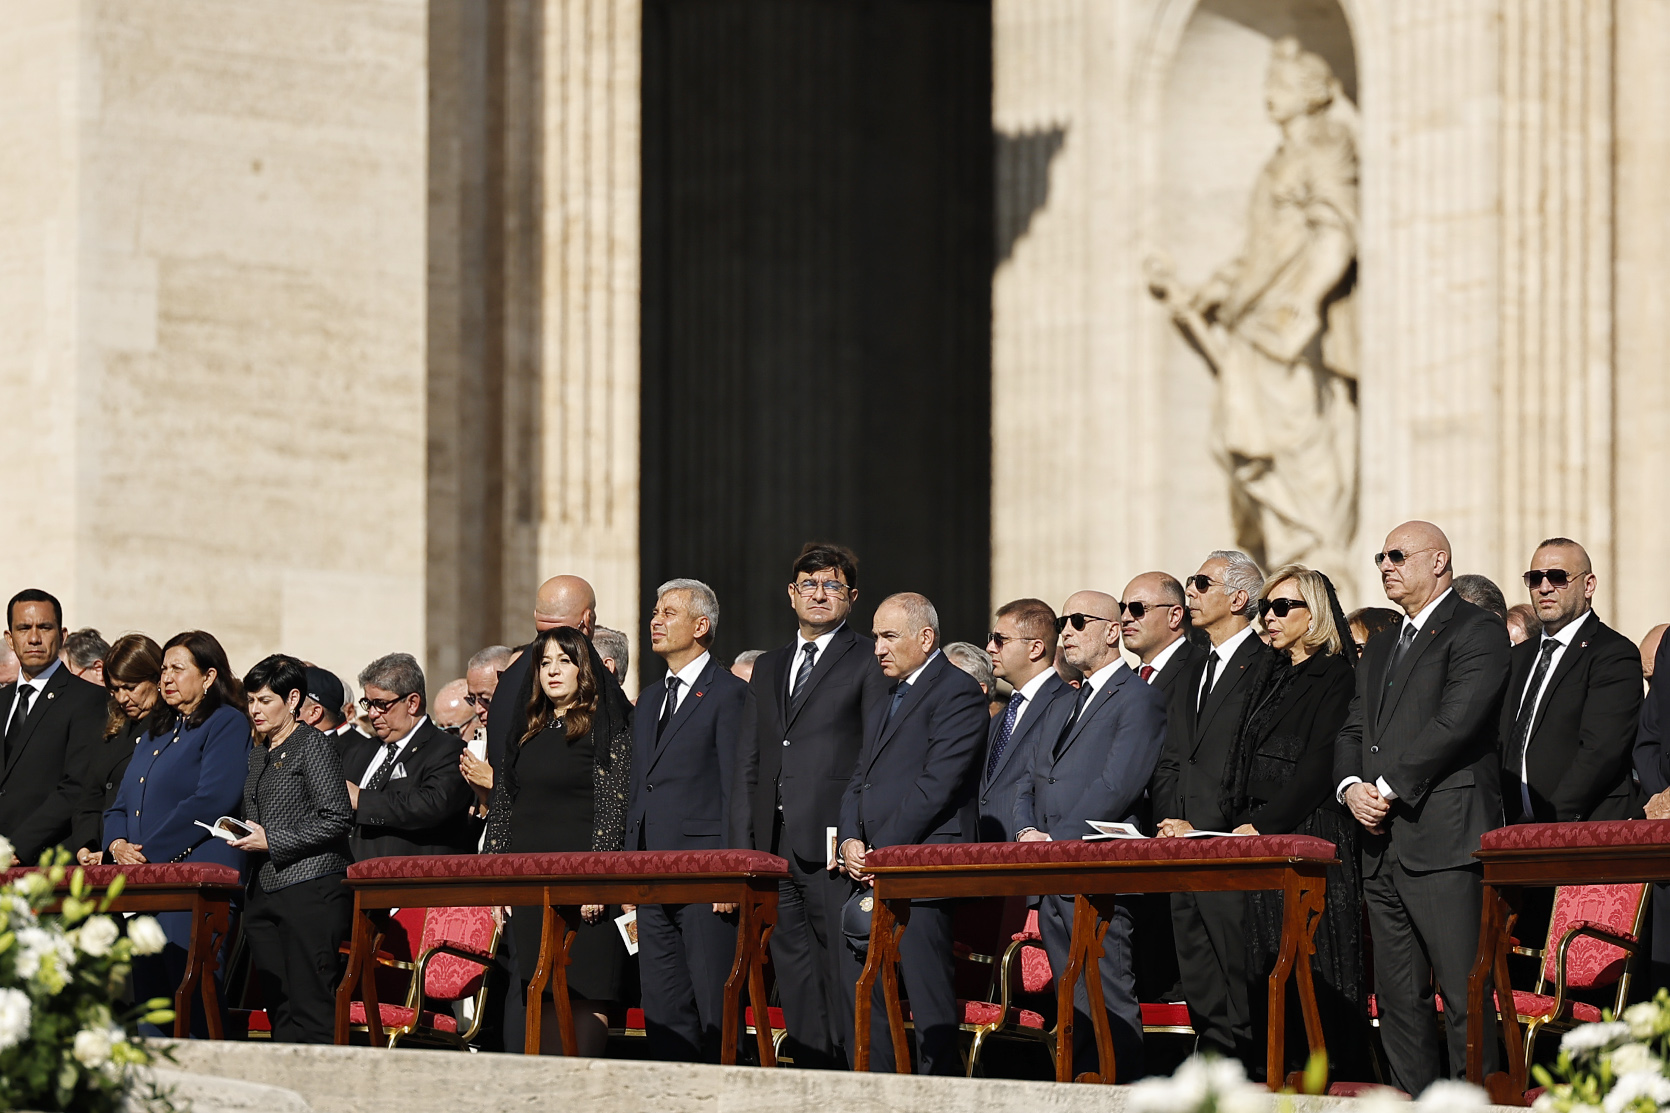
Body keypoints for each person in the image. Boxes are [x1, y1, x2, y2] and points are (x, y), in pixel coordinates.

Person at [1334, 521, 1509, 1094]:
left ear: (1440, 562)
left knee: (1462, 993)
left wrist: (1383, 789)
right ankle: (1412, 1101)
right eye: (1381, 556)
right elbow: (1355, 726)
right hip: (1380, 842)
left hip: (1444, 835)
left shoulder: (1477, 629)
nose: (1385, 565)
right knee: (1398, 997)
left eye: (1398, 555)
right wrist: (1351, 786)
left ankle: (1474, 1103)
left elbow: (1455, 723)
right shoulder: (1383, 643)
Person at [734, 542, 890, 1068]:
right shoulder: (771, 665)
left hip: (834, 841)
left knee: (842, 971)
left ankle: (857, 1079)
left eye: (832, 585)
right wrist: (745, 846)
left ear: (852, 598)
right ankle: (811, 1079)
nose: (819, 594)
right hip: (775, 845)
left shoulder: (868, 657)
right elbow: (751, 760)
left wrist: (859, 830)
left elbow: (874, 753)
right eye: (808, 584)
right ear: (791, 594)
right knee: (794, 971)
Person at [1014, 589, 1168, 1079]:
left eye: (1078, 621)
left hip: (1097, 870)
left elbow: (1117, 785)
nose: (1066, 632)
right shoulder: (1064, 701)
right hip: (1053, 867)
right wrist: (1024, 830)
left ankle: (1120, 1094)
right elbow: (1028, 778)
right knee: (1070, 997)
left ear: (1111, 631)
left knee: (1106, 992)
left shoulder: (1139, 698)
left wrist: (1054, 840)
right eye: (1063, 622)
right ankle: (1080, 1092)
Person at [1221, 566, 1367, 1079]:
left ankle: (1329, 1081)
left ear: (1315, 614)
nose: (1270, 617)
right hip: (1264, 835)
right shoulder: (1273, 674)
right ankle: (1278, 1077)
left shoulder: (1337, 674)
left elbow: (1318, 767)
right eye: (1266, 608)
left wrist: (1263, 825)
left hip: (1309, 835)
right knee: (1266, 965)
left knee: (1314, 963)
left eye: (1283, 607)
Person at [838, 592, 987, 1077]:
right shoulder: (886, 692)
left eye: (888, 636)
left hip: (924, 864)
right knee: (872, 986)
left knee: (926, 991)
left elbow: (937, 785)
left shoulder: (958, 691)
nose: (876, 647)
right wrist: (848, 838)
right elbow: (859, 774)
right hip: (877, 862)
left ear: (926, 638)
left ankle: (938, 1092)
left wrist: (880, 848)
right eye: (876, 635)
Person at [483, 625, 632, 1056]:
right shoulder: (527, 729)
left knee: (585, 991)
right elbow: (505, 808)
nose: (552, 671)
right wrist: (497, 882)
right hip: (532, 888)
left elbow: (612, 808)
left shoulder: (607, 725)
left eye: (564, 661)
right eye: (544, 662)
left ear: (583, 668)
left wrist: (597, 880)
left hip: (586, 890)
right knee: (539, 990)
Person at [1151, 551, 1273, 1066]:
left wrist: (1207, 824)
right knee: (1198, 974)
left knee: (1240, 977)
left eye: (1202, 582)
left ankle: (1252, 1080)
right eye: (1189, 582)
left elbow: (1256, 761)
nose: (1192, 592)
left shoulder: (1268, 663)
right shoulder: (1193, 663)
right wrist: (1170, 816)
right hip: (1180, 844)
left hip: (1228, 843)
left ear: (1239, 598)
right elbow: (1175, 754)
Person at [623, 580, 750, 1062]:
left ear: (701, 626)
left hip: (705, 875)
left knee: (714, 1003)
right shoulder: (651, 698)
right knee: (662, 1006)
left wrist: (729, 870)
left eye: (668, 612)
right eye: (654, 611)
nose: (655, 620)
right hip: (651, 875)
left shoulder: (729, 695)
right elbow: (642, 785)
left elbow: (735, 789)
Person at [104, 629, 250, 1033]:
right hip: (145, 883)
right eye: (164, 668)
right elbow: (120, 804)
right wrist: (116, 844)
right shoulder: (155, 730)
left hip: (195, 882)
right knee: (150, 1005)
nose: (166, 677)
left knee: (191, 998)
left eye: (178, 668)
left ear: (207, 676)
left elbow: (212, 800)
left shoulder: (226, 723)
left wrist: (148, 853)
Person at [229, 654, 355, 1044]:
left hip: (311, 888)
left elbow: (337, 818)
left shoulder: (312, 744)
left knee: (312, 1004)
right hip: (265, 890)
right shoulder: (257, 753)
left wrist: (273, 839)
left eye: (265, 700)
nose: (255, 710)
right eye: (250, 701)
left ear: (294, 698)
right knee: (279, 1006)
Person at [1502, 538, 1641, 824]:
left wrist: (1551, 822)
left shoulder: (1613, 654)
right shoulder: (1517, 658)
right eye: (1534, 578)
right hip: (1512, 832)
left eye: (1558, 577)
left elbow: (1601, 751)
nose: (1544, 587)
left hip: (1583, 830)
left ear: (1588, 585)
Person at [0, 590, 106, 864]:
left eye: (44, 627)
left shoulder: (87, 699)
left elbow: (76, 787)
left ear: (62, 635)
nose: (34, 638)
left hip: (48, 863)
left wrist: (15, 848)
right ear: (9, 638)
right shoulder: (1, 699)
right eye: (24, 628)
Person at [342, 653, 475, 860]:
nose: (373, 714)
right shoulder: (360, 750)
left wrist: (362, 799)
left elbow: (433, 805)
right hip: (352, 881)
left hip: (410, 882)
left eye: (381, 704)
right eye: (368, 704)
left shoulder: (448, 749)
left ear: (412, 703)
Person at [979, 599, 1074, 844]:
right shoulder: (1001, 715)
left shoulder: (1069, 705)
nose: (990, 647)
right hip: (986, 851)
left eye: (1001, 639)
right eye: (992, 637)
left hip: (1032, 854)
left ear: (1035, 648)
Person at [72, 635, 171, 861]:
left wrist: (116, 847)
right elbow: (90, 795)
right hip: (102, 855)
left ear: (156, 678)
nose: (122, 698)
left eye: (130, 687)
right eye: (115, 689)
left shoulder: (172, 728)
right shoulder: (113, 728)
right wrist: (86, 846)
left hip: (140, 855)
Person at [1120, 572, 1202, 697]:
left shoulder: (1202, 670)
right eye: (1121, 608)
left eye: (1137, 608)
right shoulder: (1126, 682)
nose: (1125, 618)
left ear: (1174, 616)